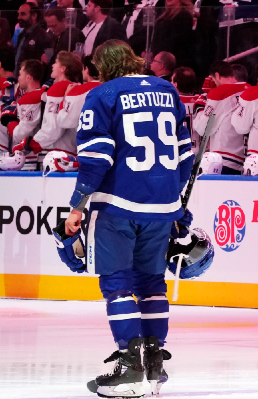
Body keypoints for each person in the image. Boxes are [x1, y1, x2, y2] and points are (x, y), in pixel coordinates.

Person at [63, 40, 192, 395]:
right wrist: (172, 197)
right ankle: (154, 362)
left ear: (104, 66)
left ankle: (129, 364)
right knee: (151, 283)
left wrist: (77, 204)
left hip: (118, 203)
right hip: (162, 205)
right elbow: (185, 154)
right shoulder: (168, 90)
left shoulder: (104, 94)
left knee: (117, 283)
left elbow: (97, 157)